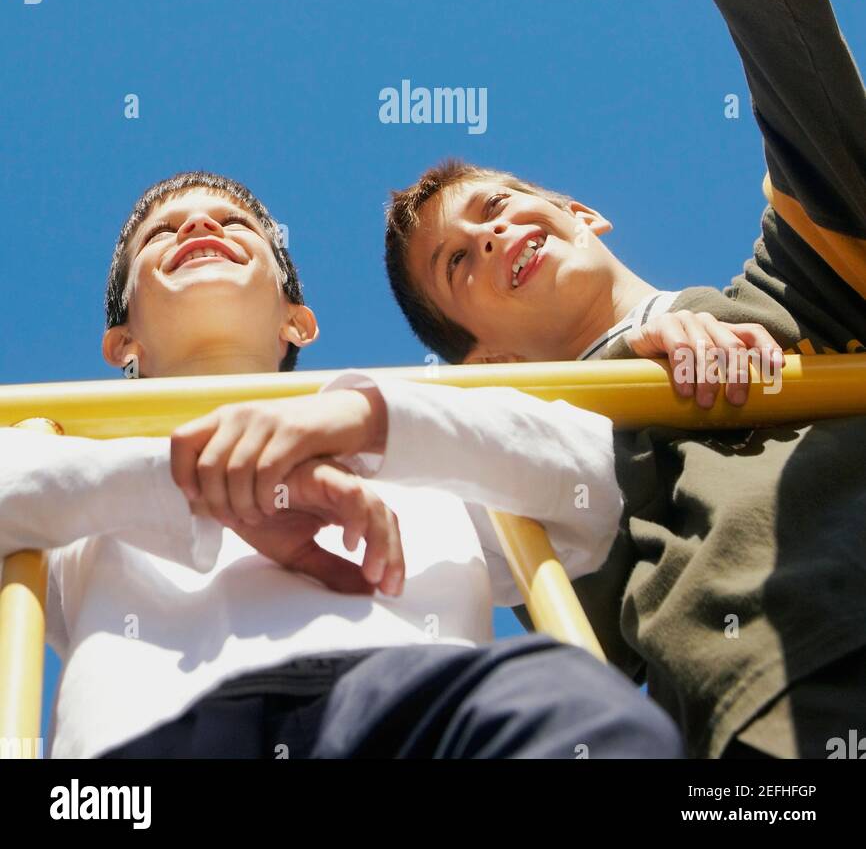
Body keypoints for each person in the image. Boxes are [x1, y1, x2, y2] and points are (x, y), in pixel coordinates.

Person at [382, 0, 866, 759]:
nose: (494, 231)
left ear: (582, 211)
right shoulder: (525, 479)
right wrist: (608, 383)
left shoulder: (800, 282)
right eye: (459, 262)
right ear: (483, 364)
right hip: (780, 725)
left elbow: (804, 80)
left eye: (501, 204)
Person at [0, 171, 682, 760]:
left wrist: (371, 418)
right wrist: (200, 484)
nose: (199, 224)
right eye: (162, 232)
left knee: (588, 718)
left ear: (298, 321)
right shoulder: (60, 446)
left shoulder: (421, 425)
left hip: (424, 705)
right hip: (149, 729)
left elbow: (590, 487)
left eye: (235, 223)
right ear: (124, 341)